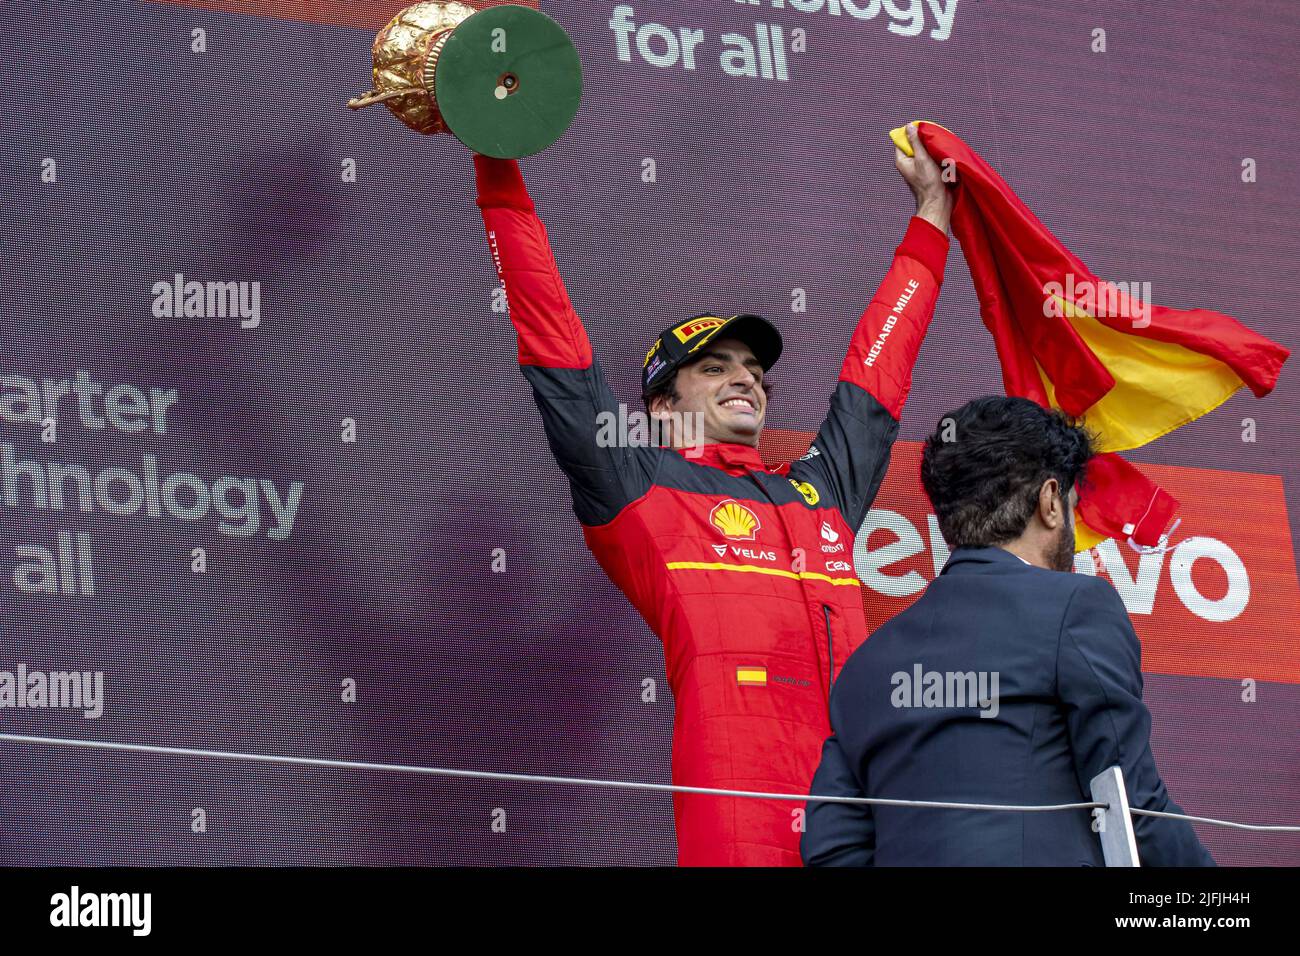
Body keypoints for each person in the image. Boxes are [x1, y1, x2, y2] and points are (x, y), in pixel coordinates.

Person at [471, 124, 952, 865]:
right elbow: (553, 345)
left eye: (754, 370)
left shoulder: (816, 490)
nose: (746, 379)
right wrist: (496, 162)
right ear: (661, 406)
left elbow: (878, 371)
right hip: (741, 795)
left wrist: (930, 217)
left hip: (871, 789)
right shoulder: (637, 482)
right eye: (714, 367)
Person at [801, 396, 1216, 866]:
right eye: (1074, 508)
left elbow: (832, 849)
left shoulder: (865, 666)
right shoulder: (1077, 606)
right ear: (1050, 503)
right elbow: (1130, 802)